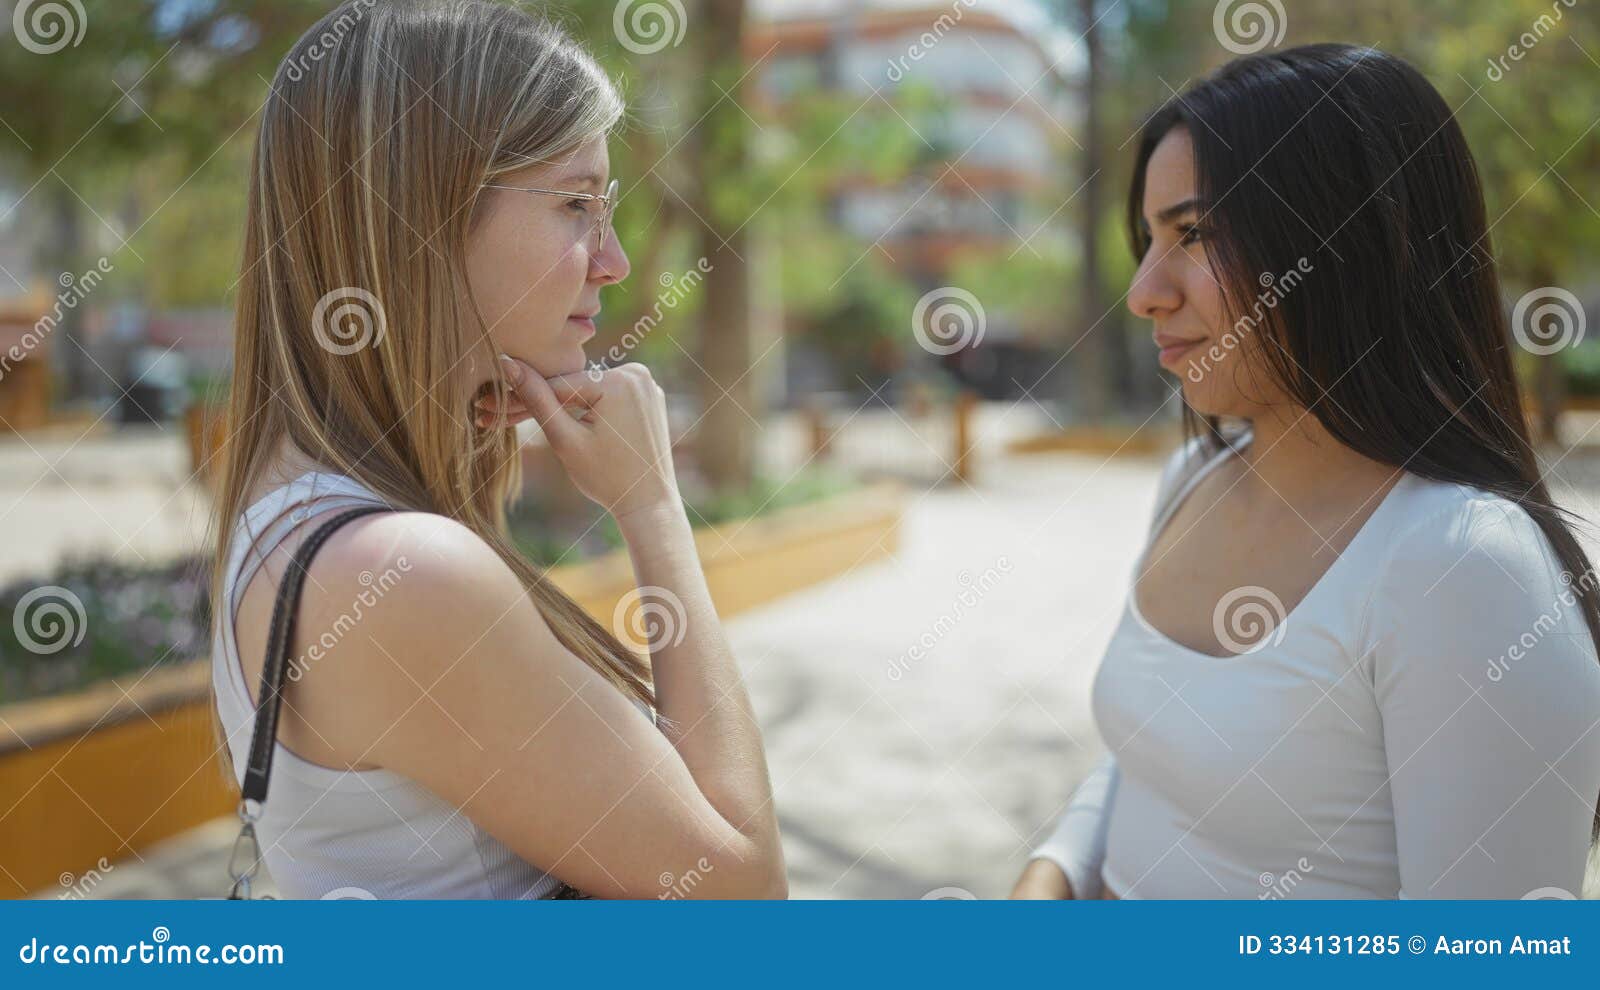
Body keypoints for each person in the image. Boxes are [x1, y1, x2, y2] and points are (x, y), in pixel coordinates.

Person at [209, 0, 786, 900]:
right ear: (419, 218)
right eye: (576, 205)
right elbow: (741, 899)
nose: (616, 260)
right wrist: (651, 507)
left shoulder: (290, 508)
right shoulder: (401, 573)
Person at [1012, 44, 1600, 899]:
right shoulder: (1192, 477)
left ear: (1343, 243)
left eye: (1196, 233)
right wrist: (1050, 876)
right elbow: (1149, 753)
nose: (1143, 291)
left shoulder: (1464, 567)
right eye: (1148, 240)